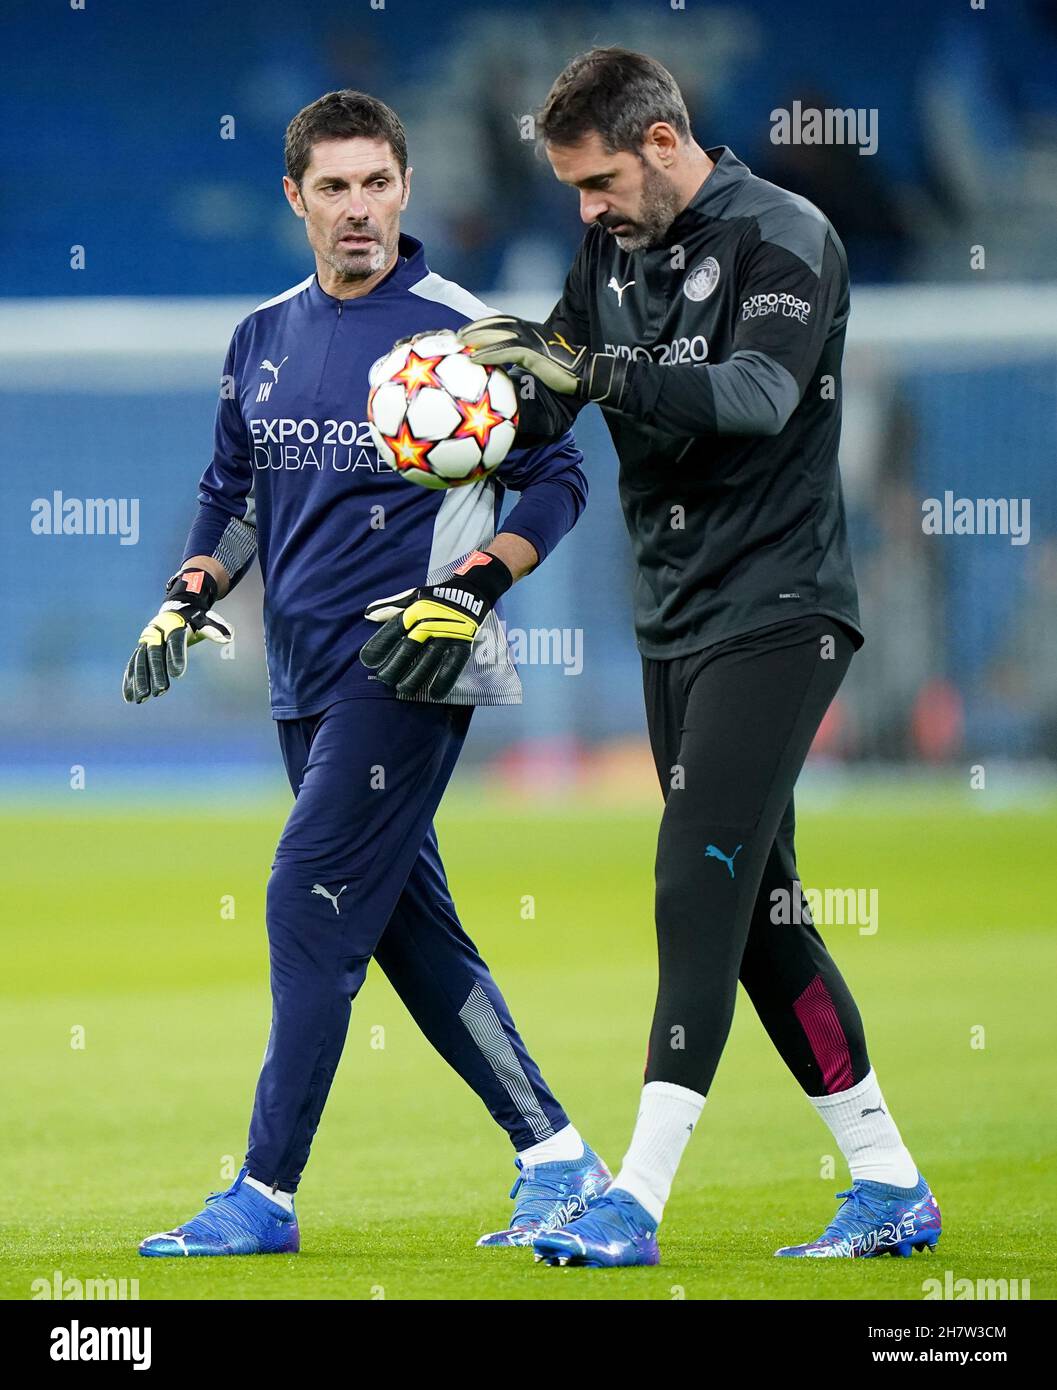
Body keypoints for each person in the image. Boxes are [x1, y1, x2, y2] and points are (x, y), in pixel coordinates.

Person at [454, 47, 941, 1266]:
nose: (587, 210)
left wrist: (590, 368)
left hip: (780, 607)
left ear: (663, 142)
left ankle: (636, 1199)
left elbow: (759, 395)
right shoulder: (607, 256)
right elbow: (552, 398)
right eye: (574, 189)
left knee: (692, 882)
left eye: (600, 181)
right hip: (672, 615)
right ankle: (889, 1181)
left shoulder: (786, 236)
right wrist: (460, 408)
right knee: (763, 916)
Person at [124, 89, 609, 1258]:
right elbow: (233, 490)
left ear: (405, 188)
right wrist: (189, 593)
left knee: (304, 894)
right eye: (334, 187)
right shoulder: (261, 337)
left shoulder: (464, 335)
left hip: (410, 662)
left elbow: (559, 477)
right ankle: (556, 1156)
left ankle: (264, 1192)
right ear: (295, 198)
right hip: (300, 675)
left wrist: (474, 588)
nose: (358, 208)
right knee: (404, 929)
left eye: (377, 184)